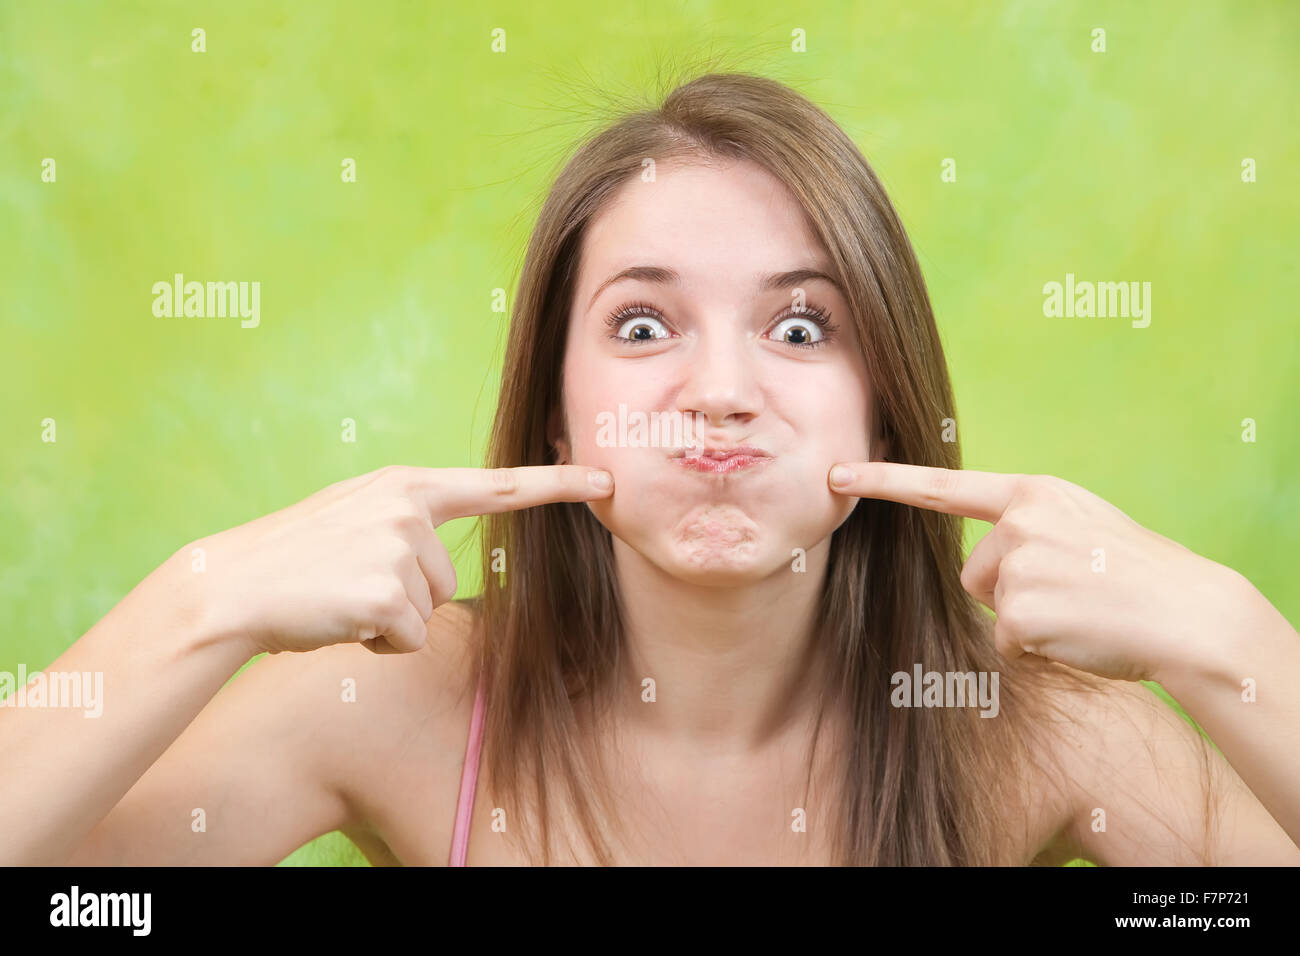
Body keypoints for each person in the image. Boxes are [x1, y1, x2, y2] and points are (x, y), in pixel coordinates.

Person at [3, 71, 1297, 866]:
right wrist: (204, 598)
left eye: (801, 326)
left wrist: (1237, 642)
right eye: (640, 325)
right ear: (556, 418)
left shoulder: (1037, 730)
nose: (721, 391)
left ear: (886, 413)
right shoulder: (377, 704)